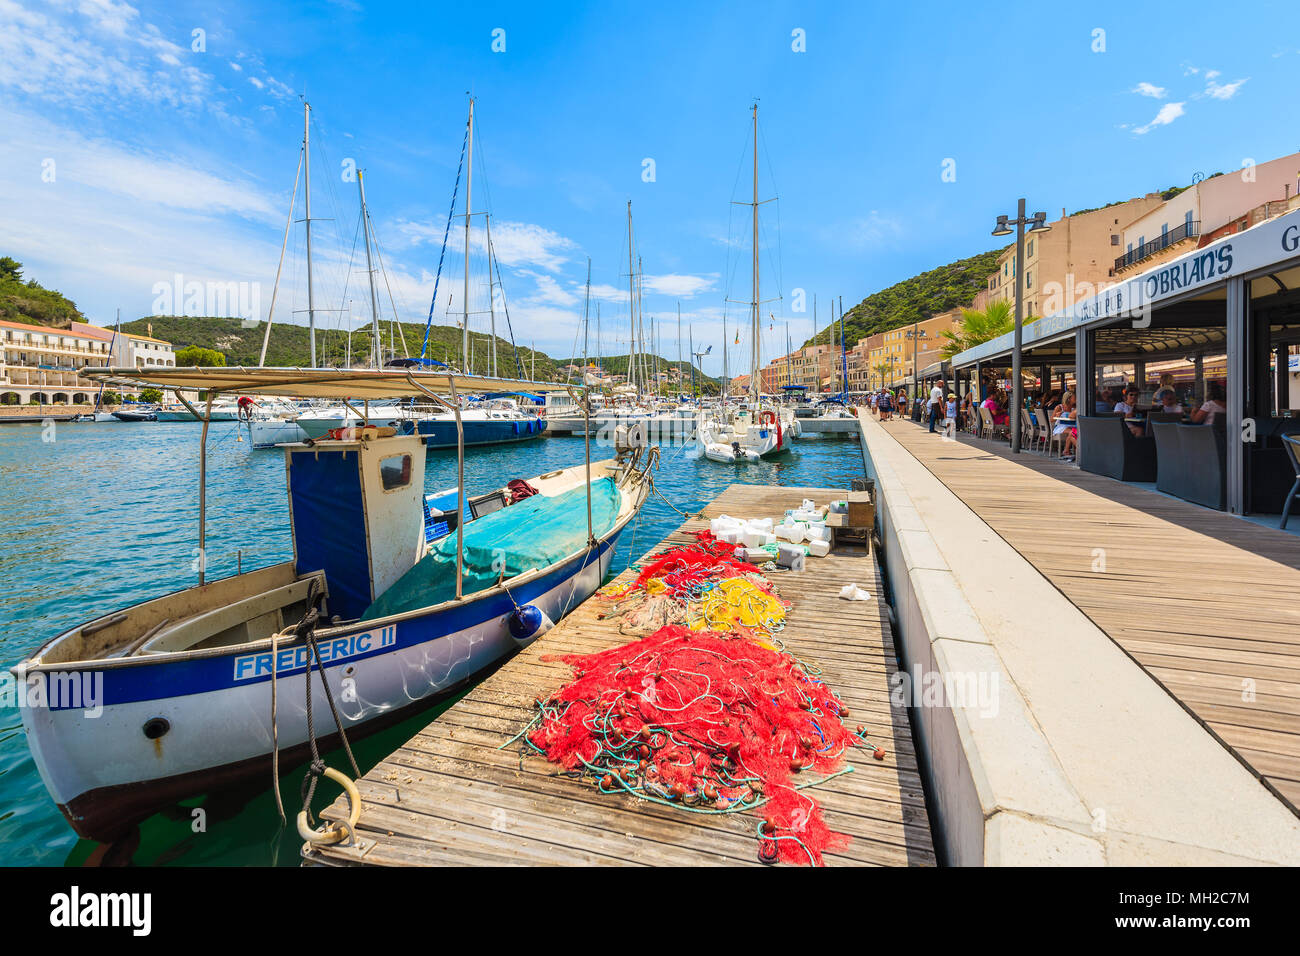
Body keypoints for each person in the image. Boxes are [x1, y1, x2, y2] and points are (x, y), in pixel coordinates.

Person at [1052, 390, 1079, 460]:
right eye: (1074, 398)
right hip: (1061, 426)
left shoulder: (1075, 408)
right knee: (1072, 432)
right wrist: (1057, 415)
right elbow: (1051, 419)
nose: (1076, 399)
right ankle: (1067, 450)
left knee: (1074, 432)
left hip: (1072, 425)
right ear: (1069, 399)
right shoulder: (1059, 407)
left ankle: (1067, 450)